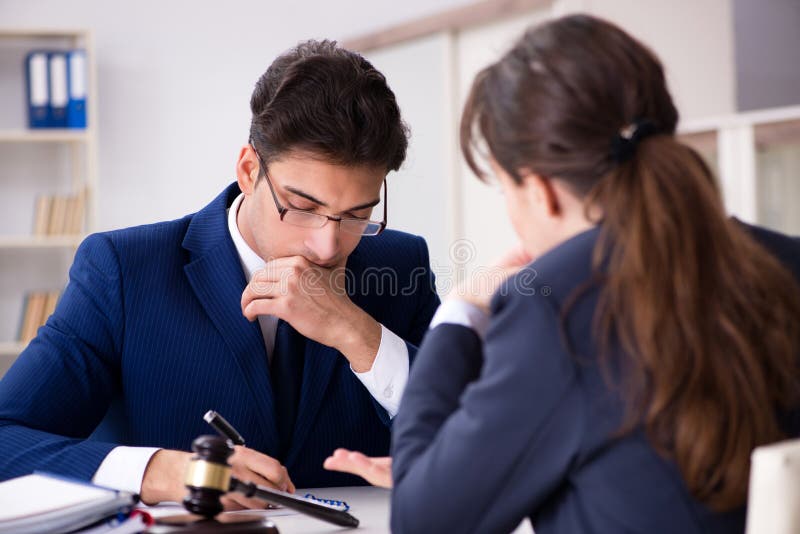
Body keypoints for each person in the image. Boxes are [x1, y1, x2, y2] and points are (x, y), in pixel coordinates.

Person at [324, 15, 800, 533]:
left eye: (504, 188)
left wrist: (461, 309)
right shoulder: (784, 262)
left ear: (539, 189)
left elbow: (423, 522)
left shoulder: (560, 308)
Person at [0, 40, 440, 509]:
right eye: (303, 208)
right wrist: (159, 471)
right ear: (250, 170)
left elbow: (480, 437)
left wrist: (362, 338)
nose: (329, 245)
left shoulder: (401, 265)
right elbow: (7, 439)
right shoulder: (123, 270)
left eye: (357, 214)